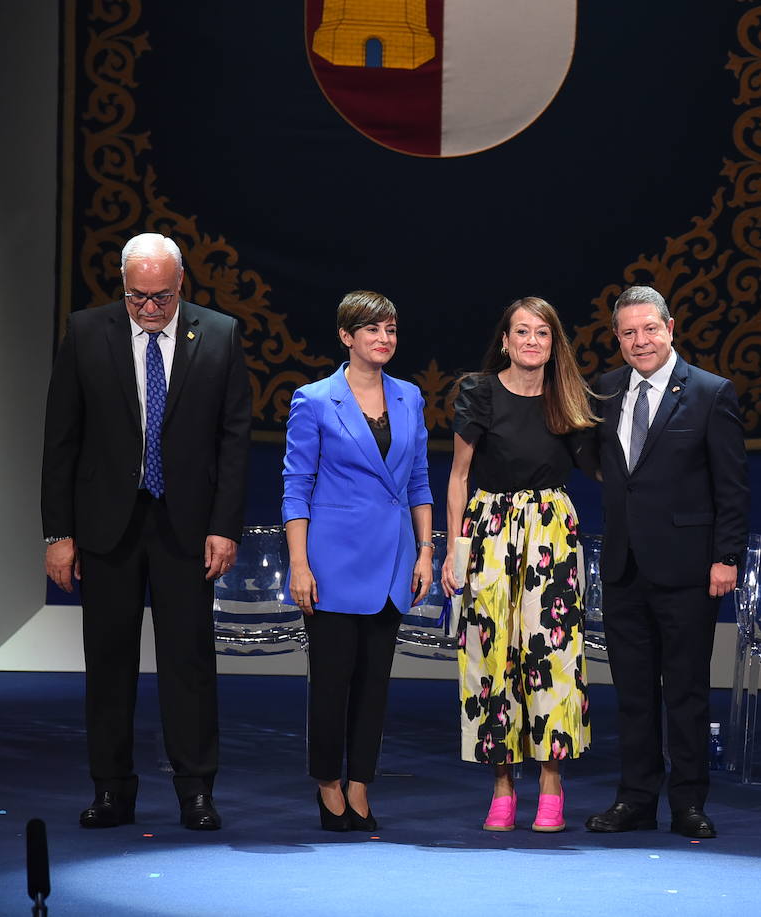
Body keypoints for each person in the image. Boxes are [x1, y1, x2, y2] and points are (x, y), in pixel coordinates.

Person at [42, 232, 252, 830]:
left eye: (161, 296)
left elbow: (233, 441)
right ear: (123, 285)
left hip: (186, 526)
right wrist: (58, 532)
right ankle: (112, 789)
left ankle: (196, 791)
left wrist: (224, 526)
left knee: (189, 660)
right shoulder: (87, 332)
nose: (150, 309)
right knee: (108, 661)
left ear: (181, 284)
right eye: (138, 297)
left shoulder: (219, 333)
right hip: (107, 525)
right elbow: (61, 438)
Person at [584, 285, 749, 840]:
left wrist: (727, 557)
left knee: (685, 692)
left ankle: (688, 804)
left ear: (671, 328)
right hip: (625, 568)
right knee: (632, 695)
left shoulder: (709, 392)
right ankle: (634, 799)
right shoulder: (604, 392)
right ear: (618, 339)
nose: (640, 341)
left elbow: (732, 487)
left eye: (649, 329)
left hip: (689, 570)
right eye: (628, 333)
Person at [441, 296, 597, 833]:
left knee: (552, 655)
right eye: (522, 332)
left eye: (543, 334)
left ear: (554, 345)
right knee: (491, 657)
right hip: (490, 529)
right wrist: (454, 553)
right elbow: (459, 476)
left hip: (551, 531)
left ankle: (552, 785)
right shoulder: (477, 393)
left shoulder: (567, 398)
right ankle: (503, 786)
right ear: (504, 341)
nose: (532, 342)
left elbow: (604, 469)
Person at [282, 290, 434, 832]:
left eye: (391, 329)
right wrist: (299, 565)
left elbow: (418, 481)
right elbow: (296, 487)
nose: (384, 339)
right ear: (346, 337)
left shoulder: (411, 397)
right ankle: (327, 784)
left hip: (393, 561)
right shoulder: (315, 399)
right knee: (330, 682)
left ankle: (361, 783)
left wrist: (425, 551)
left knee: (375, 684)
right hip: (332, 564)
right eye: (372, 330)